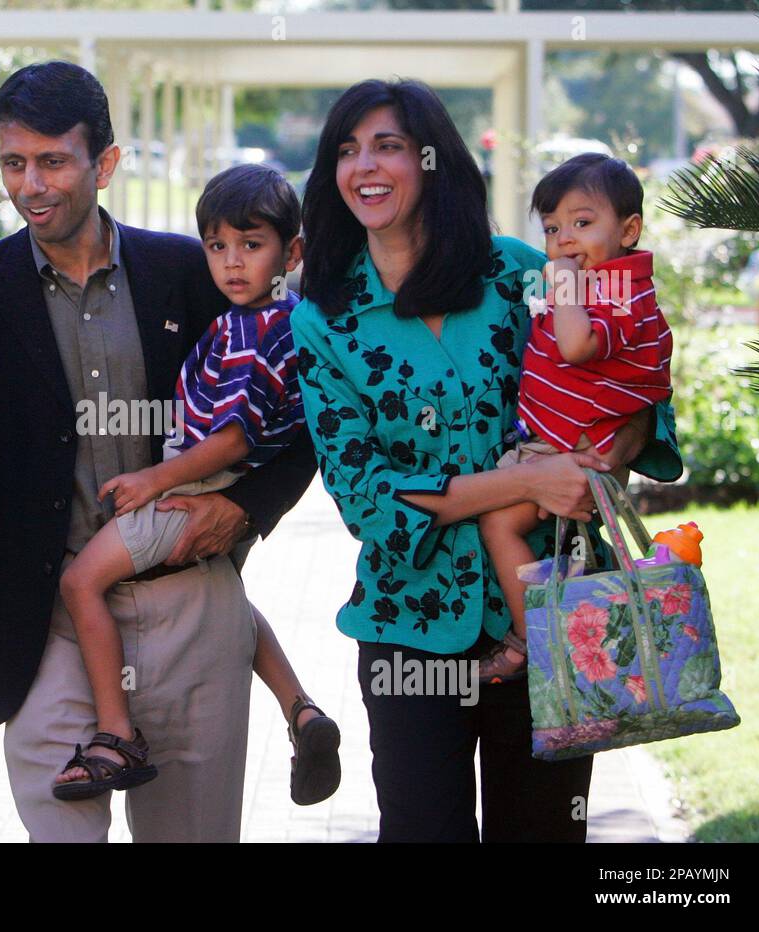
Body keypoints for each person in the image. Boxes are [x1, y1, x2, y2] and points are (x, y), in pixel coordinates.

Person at [0, 61, 316, 842]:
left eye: (52, 161)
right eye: (14, 163)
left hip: (191, 610)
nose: (30, 184)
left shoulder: (193, 269)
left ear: (104, 164)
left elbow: (299, 411)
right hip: (45, 621)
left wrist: (242, 508)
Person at [289, 79, 682, 842]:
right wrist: (525, 480)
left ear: (433, 161)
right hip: (411, 630)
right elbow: (367, 499)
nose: (363, 166)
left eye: (388, 146)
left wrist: (610, 453)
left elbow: (638, 378)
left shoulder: (517, 273)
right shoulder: (323, 316)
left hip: (560, 613)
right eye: (346, 150)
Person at [53, 163, 340, 806]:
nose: (232, 263)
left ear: (291, 251)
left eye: (251, 244)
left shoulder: (261, 331)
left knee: (80, 581)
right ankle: (301, 709)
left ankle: (115, 732)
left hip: (199, 485)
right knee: (229, 597)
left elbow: (234, 437)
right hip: (210, 481)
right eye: (217, 246)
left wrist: (153, 480)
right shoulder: (275, 317)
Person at [476, 153, 672, 683]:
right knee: (566, 550)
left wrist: (561, 286)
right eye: (552, 228)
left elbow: (576, 345)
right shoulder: (600, 285)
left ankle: (534, 643)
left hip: (571, 448)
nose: (564, 240)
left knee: (498, 521)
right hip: (567, 442)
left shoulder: (619, 291)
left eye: (582, 224)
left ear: (629, 230)